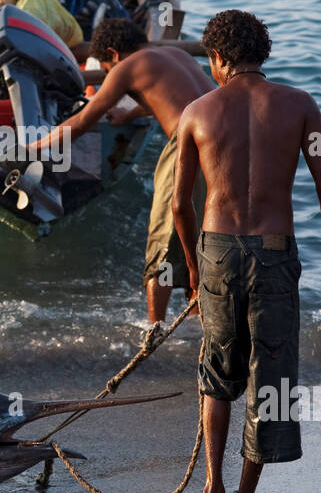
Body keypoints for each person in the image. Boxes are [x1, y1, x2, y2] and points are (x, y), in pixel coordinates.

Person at [172, 9, 321, 493]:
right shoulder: (302, 108)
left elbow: (178, 206)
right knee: (271, 379)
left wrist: (194, 271)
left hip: (216, 251)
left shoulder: (195, 113)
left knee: (216, 372)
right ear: (262, 54)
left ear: (217, 58)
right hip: (274, 254)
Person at [29, 16, 212, 321]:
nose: (110, 75)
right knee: (204, 241)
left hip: (187, 144)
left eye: (105, 70)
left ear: (113, 54)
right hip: (224, 144)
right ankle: (198, 328)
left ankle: (153, 331)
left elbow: (82, 122)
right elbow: (174, 97)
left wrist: (32, 147)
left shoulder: (127, 66)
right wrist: (129, 114)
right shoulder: (177, 55)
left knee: (164, 242)